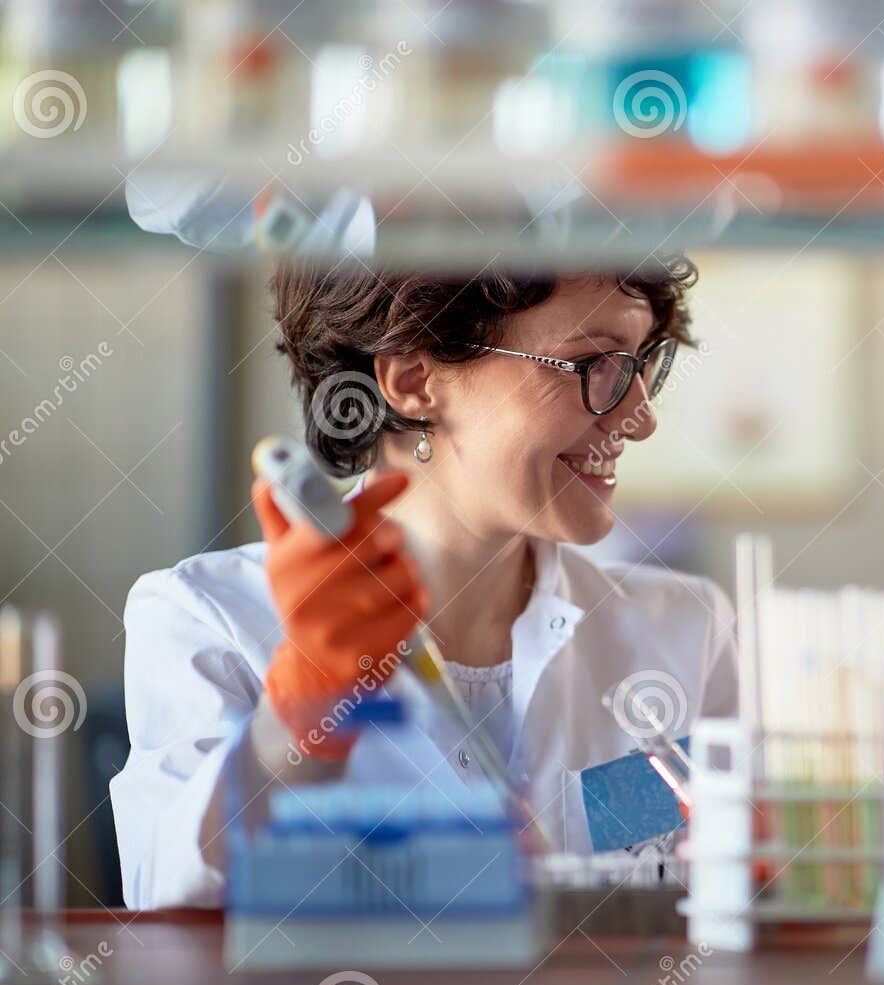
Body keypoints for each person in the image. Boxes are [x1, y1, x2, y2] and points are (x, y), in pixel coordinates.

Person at [111, 259, 737, 909]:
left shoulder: (686, 630)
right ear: (414, 380)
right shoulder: (209, 618)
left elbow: (746, 906)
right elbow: (166, 902)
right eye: (594, 365)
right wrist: (295, 723)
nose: (639, 416)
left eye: (640, 364)